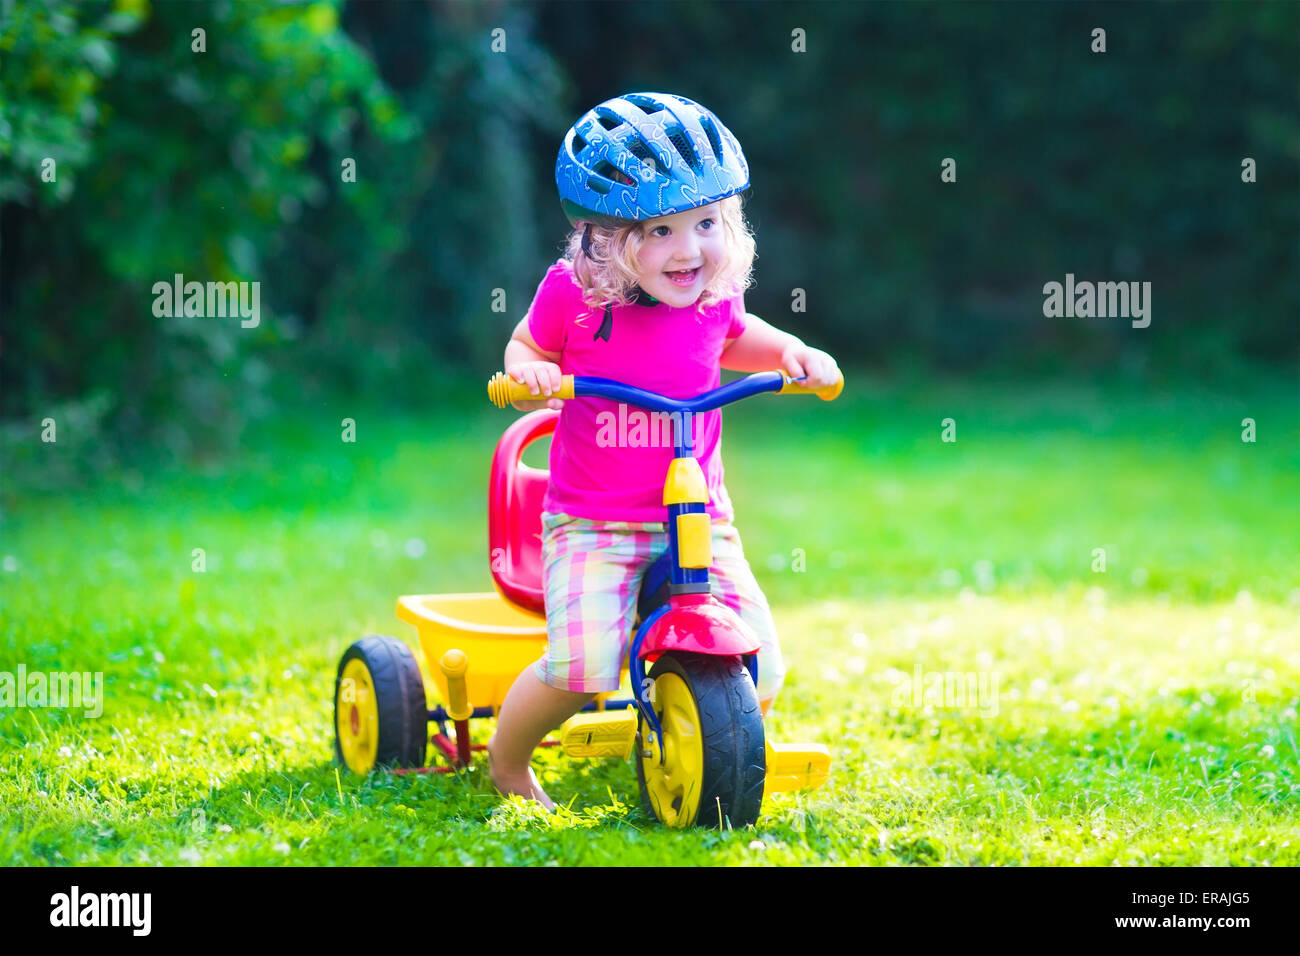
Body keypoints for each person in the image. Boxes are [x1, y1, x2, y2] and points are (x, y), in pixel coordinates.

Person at [486, 92, 840, 809]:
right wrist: (529, 372)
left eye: (706, 222)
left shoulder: (712, 293)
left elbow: (737, 338)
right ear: (604, 239)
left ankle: (702, 739)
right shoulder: (575, 292)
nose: (689, 249)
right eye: (659, 229)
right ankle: (508, 761)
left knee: (763, 665)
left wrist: (796, 351)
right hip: (595, 522)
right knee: (582, 667)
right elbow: (528, 342)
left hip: (699, 516)